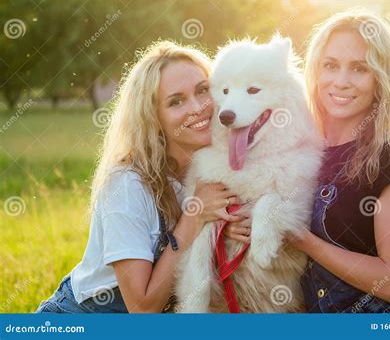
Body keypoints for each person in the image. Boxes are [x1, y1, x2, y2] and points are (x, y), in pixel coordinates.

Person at [36, 41, 245, 313]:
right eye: (176, 101)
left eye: (203, 90)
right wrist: (195, 217)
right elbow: (142, 309)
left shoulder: (212, 169)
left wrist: (220, 233)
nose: (198, 107)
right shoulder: (127, 184)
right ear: (152, 117)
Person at [288, 9, 390, 313]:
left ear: (380, 79)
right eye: (330, 66)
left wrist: (305, 242)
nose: (341, 81)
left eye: (359, 69)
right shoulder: (296, 154)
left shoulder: (387, 159)